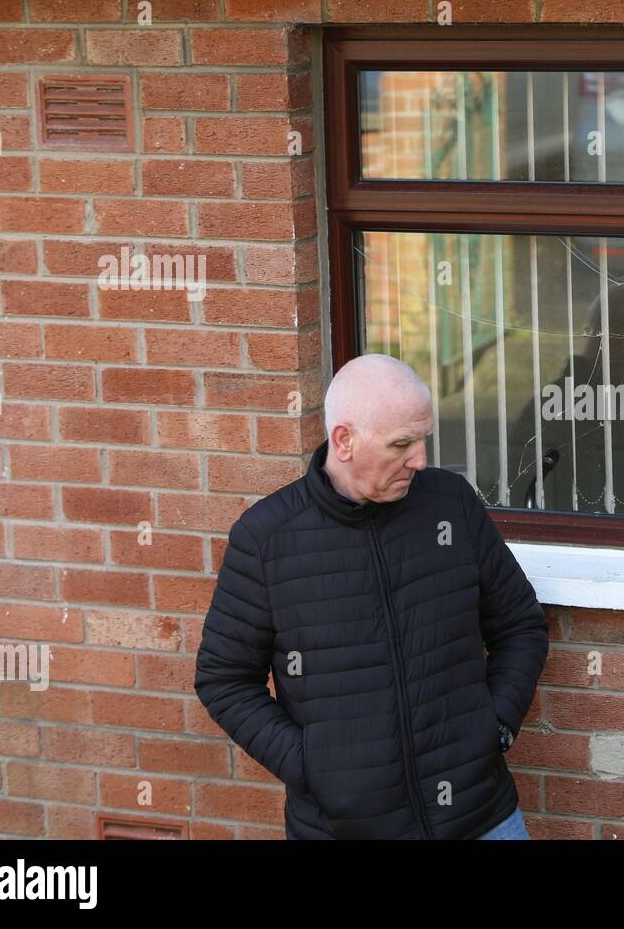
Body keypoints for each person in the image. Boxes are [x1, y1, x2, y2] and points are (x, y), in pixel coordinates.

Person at [194, 354, 548, 839]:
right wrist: (314, 768)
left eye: (422, 439)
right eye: (401, 444)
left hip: (480, 817)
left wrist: (495, 726)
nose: (420, 460)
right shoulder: (268, 538)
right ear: (344, 441)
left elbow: (519, 624)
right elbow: (225, 680)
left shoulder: (450, 505)